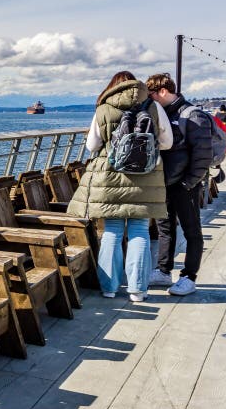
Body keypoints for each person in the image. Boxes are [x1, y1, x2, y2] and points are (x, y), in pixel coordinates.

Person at [68, 72, 172, 302]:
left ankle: (109, 287)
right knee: (140, 231)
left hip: (111, 177)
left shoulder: (104, 108)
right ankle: (137, 290)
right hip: (146, 177)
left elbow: (92, 145)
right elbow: (167, 142)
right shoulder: (154, 107)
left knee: (112, 232)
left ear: (113, 86)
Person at [147, 73, 213, 296]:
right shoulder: (164, 114)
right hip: (165, 182)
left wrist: (189, 182)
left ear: (163, 91)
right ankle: (163, 271)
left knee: (192, 230)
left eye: (153, 95)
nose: (151, 100)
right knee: (165, 228)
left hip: (185, 185)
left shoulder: (192, 115)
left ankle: (189, 277)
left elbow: (203, 154)